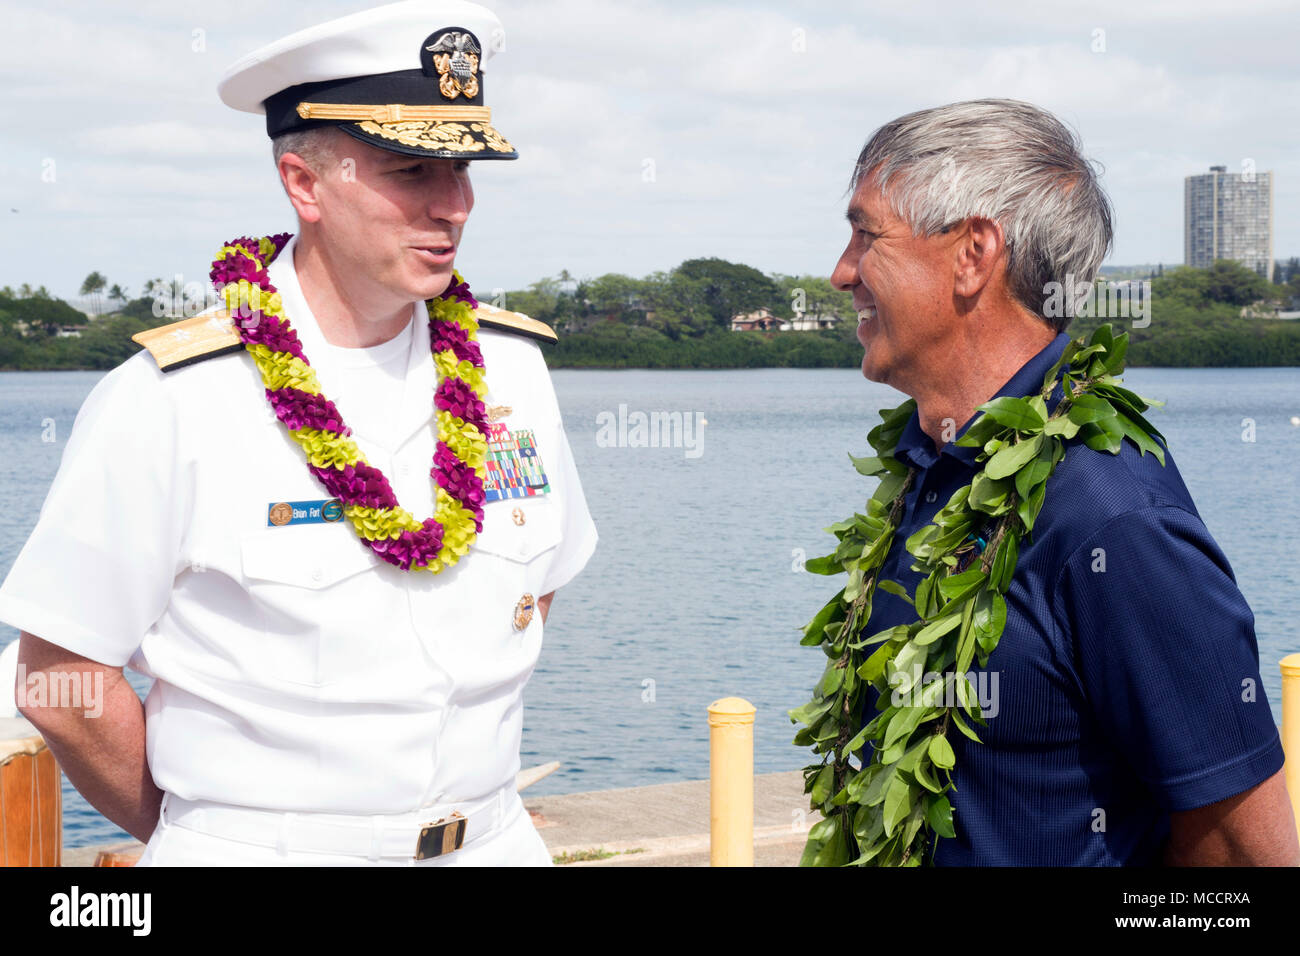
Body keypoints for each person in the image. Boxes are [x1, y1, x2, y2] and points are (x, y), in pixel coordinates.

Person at [1, 0, 597, 866]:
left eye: (464, 169)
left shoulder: (513, 371)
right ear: (304, 183)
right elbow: (62, 681)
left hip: (493, 845)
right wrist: (209, 833)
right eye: (411, 170)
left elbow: (535, 591)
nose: (455, 205)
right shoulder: (173, 399)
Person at [828, 98, 1298, 865]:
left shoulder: (1113, 520)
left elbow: (1247, 862)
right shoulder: (934, 468)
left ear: (974, 253)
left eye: (866, 235)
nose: (843, 271)